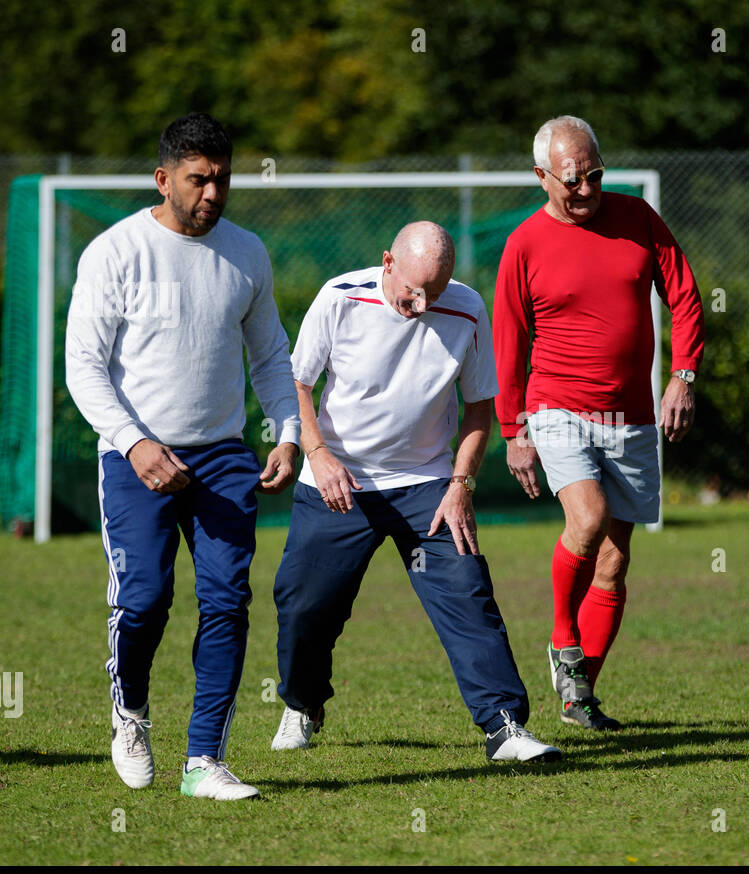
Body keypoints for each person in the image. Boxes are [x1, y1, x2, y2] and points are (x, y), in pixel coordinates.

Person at [65, 112, 301, 799]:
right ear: (163, 178)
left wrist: (286, 432)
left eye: (223, 179)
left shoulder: (248, 252)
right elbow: (83, 367)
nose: (213, 194)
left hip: (225, 458)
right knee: (144, 601)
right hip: (134, 458)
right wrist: (135, 444)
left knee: (227, 599)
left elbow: (271, 357)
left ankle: (205, 761)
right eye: (198, 180)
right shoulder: (115, 252)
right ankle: (130, 712)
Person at [270, 222, 561, 763]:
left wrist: (461, 483)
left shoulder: (468, 309)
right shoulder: (338, 299)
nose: (422, 304)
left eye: (436, 290)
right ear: (387, 262)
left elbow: (480, 405)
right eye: (412, 291)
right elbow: (297, 383)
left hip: (428, 482)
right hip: (339, 481)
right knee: (303, 606)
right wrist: (318, 454)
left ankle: (505, 727)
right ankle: (303, 703)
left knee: (466, 590)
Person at [492, 115, 705, 730]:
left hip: (632, 416)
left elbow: (686, 297)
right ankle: (563, 640)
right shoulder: (524, 245)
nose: (585, 189)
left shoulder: (638, 219)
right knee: (585, 520)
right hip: (558, 409)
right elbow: (508, 344)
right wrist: (514, 432)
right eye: (570, 180)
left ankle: (578, 696)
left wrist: (682, 376)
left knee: (613, 562)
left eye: (594, 175)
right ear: (541, 177)